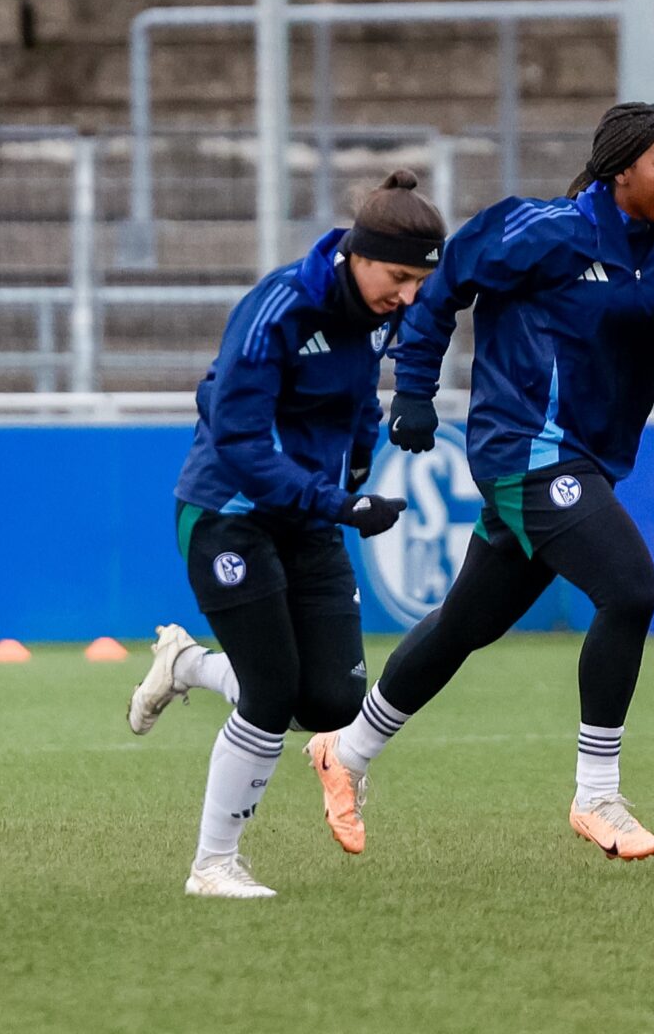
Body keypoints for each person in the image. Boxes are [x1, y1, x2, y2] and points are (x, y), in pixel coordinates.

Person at [304, 102, 654, 861]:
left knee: (468, 624)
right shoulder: (544, 231)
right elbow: (445, 285)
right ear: (621, 168)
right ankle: (597, 796)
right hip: (522, 449)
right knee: (629, 589)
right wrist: (412, 387)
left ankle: (348, 751)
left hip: (587, 461)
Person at [132, 170, 445, 898]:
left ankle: (186, 666)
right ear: (357, 255)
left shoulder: (380, 312)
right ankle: (213, 865)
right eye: (397, 277)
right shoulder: (279, 308)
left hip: (307, 516)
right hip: (226, 513)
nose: (407, 297)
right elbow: (238, 438)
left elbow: (362, 393)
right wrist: (336, 506)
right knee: (271, 693)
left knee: (333, 704)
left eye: (418, 284)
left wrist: (362, 459)